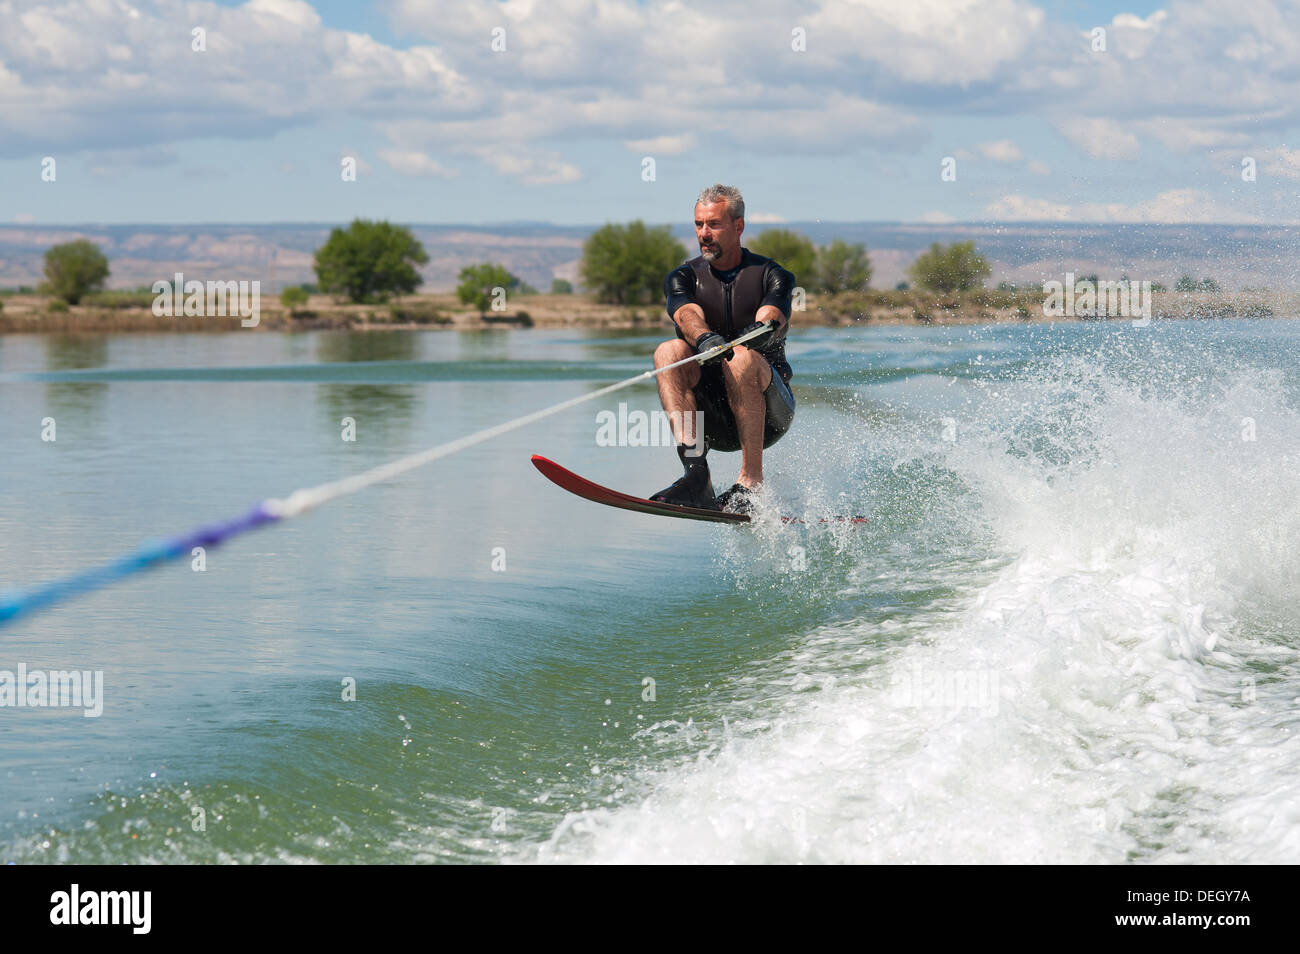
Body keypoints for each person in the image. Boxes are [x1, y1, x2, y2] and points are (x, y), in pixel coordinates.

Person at [649, 184, 795, 514]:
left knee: (742, 360)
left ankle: (751, 485)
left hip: (769, 415)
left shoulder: (773, 275)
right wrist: (703, 338)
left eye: (714, 224)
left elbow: (774, 313)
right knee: (667, 352)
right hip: (713, 419)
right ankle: (696, 477)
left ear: (738, 226)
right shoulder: (683, 277)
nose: (704, 233)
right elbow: (686, 314)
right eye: (699, 224)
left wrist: (762, 329)